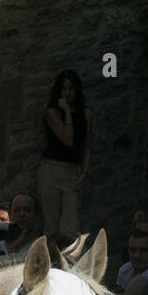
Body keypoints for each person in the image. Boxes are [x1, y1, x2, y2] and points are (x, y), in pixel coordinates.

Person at [37, 70, 92, 242]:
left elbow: (87, 146)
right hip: (51, 172)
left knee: (70, 230)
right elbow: (68, 139)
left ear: (77, 90)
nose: (67, 93)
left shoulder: (87, 114)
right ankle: (49, 266)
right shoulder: (52, 113)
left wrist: (84, 172)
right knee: (51, 229)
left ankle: (68, 265)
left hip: (72, 174)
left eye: (71, 88)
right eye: (63, 89)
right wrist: (67, 111)